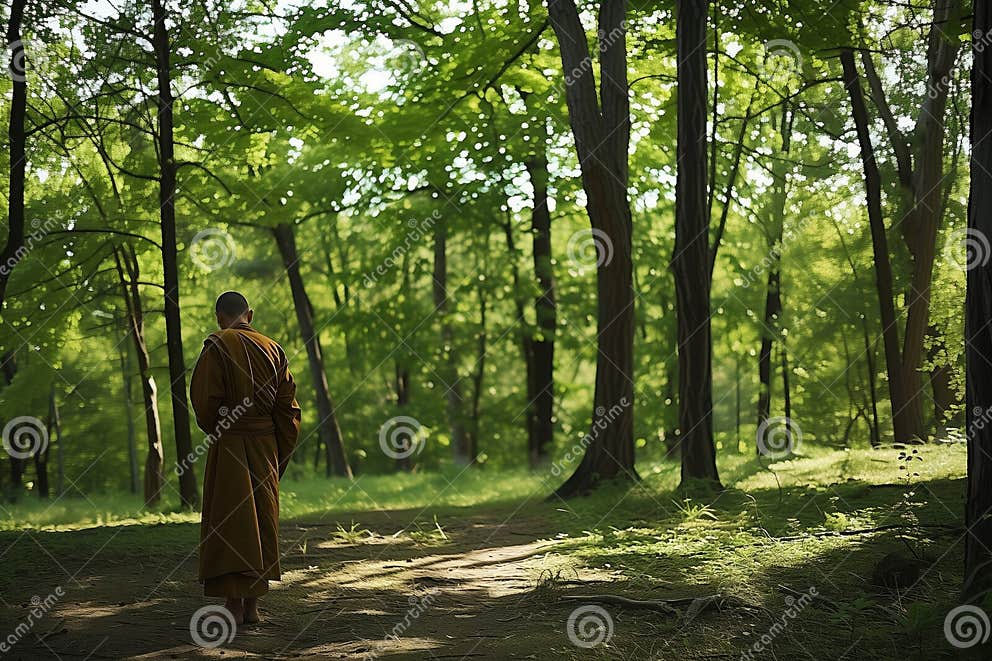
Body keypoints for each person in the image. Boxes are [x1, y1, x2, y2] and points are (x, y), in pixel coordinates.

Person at [190, 291, 301, 625]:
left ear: (219, 317)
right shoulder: (274, 349)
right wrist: (279, 450)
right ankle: (253, 607)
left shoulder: (217, 345)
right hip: (265, 444)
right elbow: (288, 409)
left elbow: (205, 403)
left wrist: (220, 425)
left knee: (232, 521)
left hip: (230, 444)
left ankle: (234, 605)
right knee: (261, 519)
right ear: (249, 315)